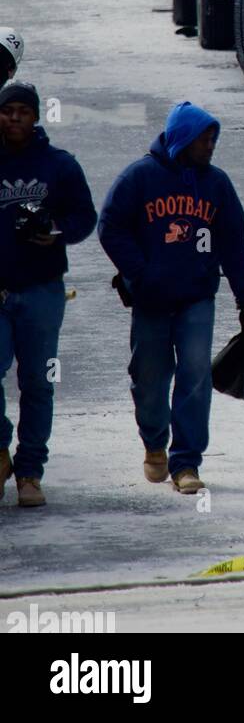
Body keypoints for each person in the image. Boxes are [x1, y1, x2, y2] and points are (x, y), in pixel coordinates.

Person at [98, 102, 244, 494]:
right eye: (204, 139)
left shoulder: (217, 184)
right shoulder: (140, 177)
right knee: (149, 378)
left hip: (197, 296)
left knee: (195, 374)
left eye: (213, 138)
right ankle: (155, 442)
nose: (211, 145)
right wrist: (141, 273)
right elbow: (111, 226)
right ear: (183, 138)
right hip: (151, 299)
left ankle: (186, 462)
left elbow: (234, 243)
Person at [0, 82, 97, 509]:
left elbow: (85, 217)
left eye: (23, 111)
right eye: (7, 110)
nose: (14, 118)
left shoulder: (60, 165)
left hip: (43, 290)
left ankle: (30, 472)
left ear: (36, 117)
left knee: (39, 383)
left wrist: (56, 230)